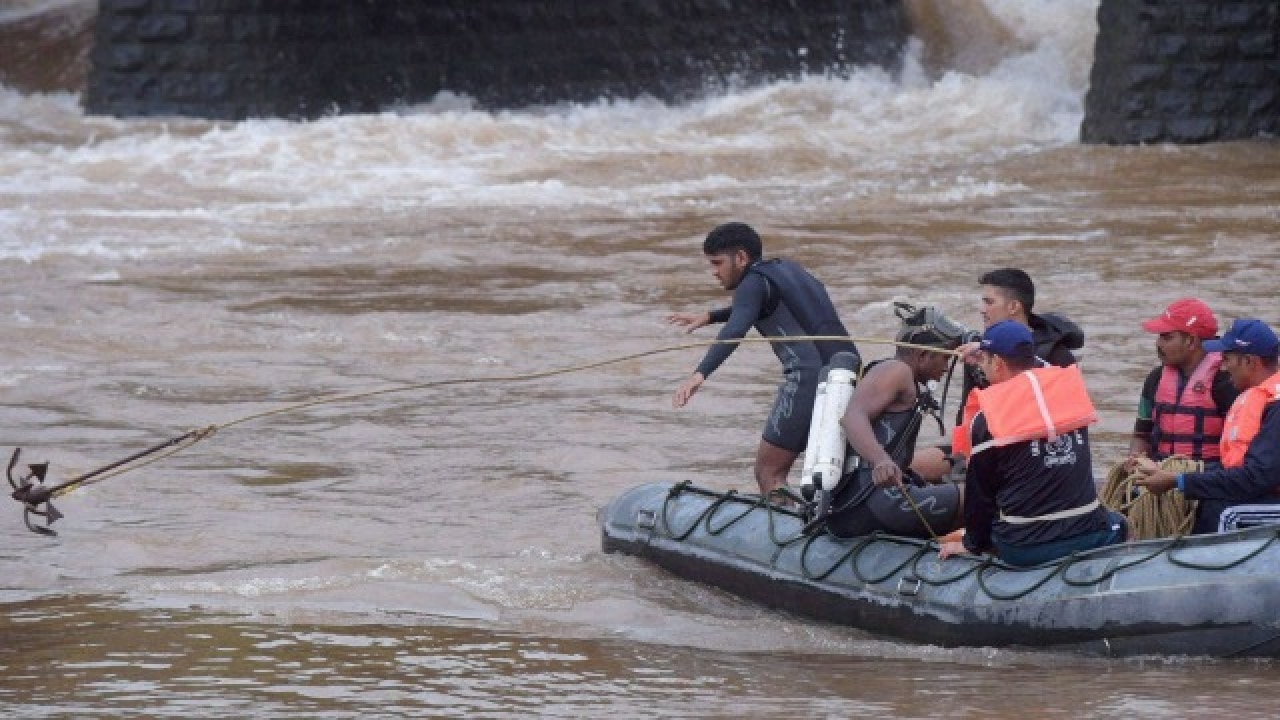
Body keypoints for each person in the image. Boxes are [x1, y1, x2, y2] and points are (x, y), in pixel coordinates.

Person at [668, 222, 859, 497]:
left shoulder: (752, 284)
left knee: (769, 471)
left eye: (717, 263)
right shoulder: (788, 270)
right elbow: (754, 306)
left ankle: (786, 533)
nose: (714, 272)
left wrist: (699, 375)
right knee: (836, 472)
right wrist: (710, 316)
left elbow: (736, 329)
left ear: (741, 258)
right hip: (848, 374)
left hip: (808, 381)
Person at [939, 321, 1126, 566]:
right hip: (1090, 535)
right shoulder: (1071, 397)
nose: (981, 370)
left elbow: (980, 497)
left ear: (997, 363)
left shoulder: (987, 419)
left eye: (984, 362)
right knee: (1123, 523)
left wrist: (971, 543)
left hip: (1024, 546)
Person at [915, 267, 1084, 479]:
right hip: (980, 445)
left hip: (1030, 452)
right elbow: (966, 417)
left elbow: (1069, 420)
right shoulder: (979, 353)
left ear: (1014, 306)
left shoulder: (1057, 356)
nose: (981, 309)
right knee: (913, 466)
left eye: (989, 302)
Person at [823, 304, 966, 539]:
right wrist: (880, 460)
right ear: (922, 355)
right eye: (944, 358)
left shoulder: (902, 377)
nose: (946, 367)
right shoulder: (896, 370)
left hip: (861, 504)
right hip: (878, 502)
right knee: (981, 495)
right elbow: (853, 416)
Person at [1134, 318, 1280, 534]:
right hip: (1261, 490)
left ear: (1249, 361)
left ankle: (1207, 566)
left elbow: (1257, 477)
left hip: (1270, 496)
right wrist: (1172, 474)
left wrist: (1178, 480)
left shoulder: (1275, 406)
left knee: (1222, 512)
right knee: (1204, 502)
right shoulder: (1255, 398)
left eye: (1227, 358)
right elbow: (1240, 470)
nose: (1222, 365)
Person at [1125, 298, 1239, 469]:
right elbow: (1142, 435)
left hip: (1209, 480)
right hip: (1158, 478)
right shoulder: (1154, 379)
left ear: (1191, 341)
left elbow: (1240, 447)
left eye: (1167, 337)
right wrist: (1136, 457)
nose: (1158, 344)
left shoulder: (1226, 381)